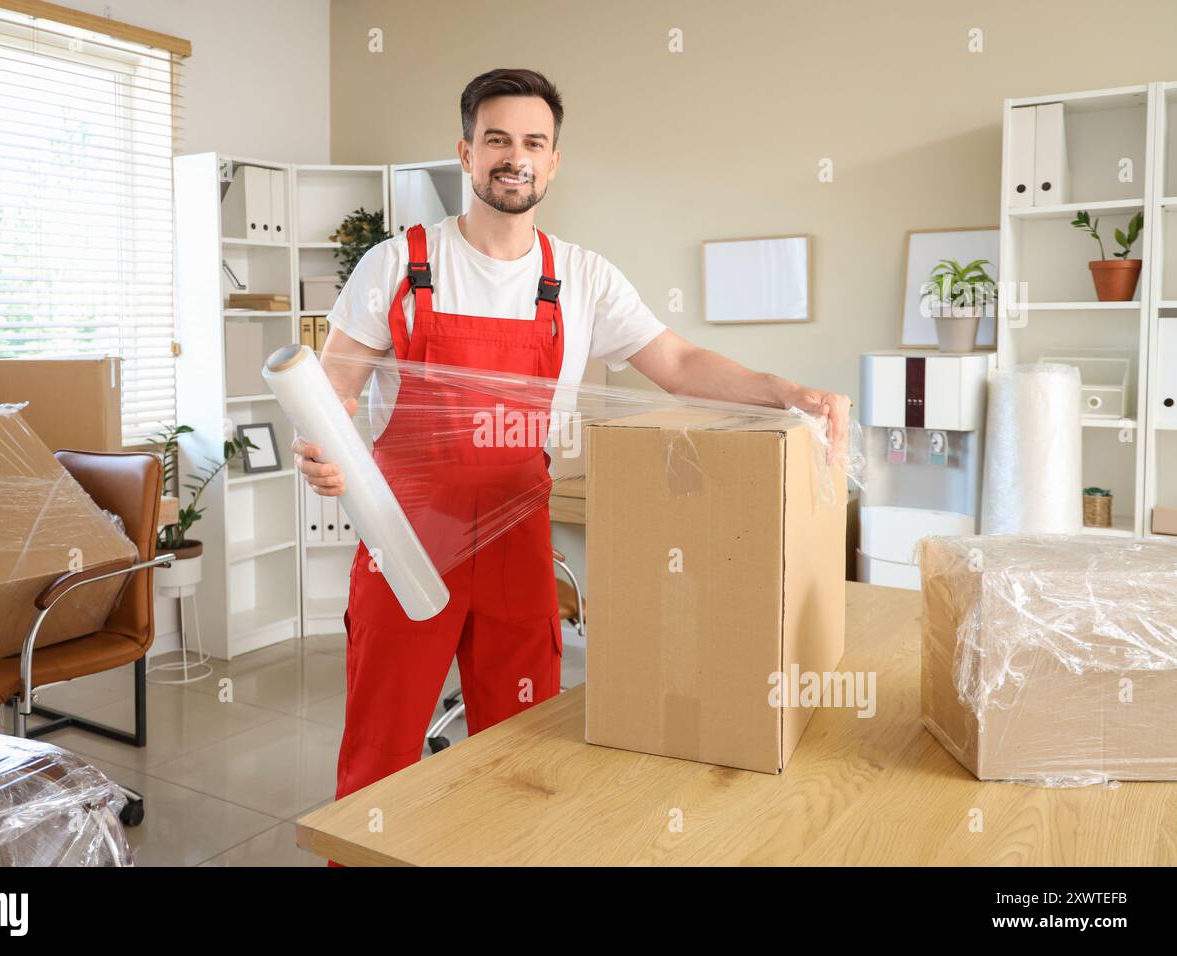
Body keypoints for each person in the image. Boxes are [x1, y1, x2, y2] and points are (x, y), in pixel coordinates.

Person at [294, 68, 851, 810]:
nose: (513, 156)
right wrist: (324, 454)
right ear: (466, 152)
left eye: (533, 142)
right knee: (383, 742)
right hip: (403, 539)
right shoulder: (396, 265)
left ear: (553, 161)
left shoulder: (581, 276)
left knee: (523, 742)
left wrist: (782, 390)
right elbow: (331, 392)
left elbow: (678, 366)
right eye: (496, 139)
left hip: (516, 539)